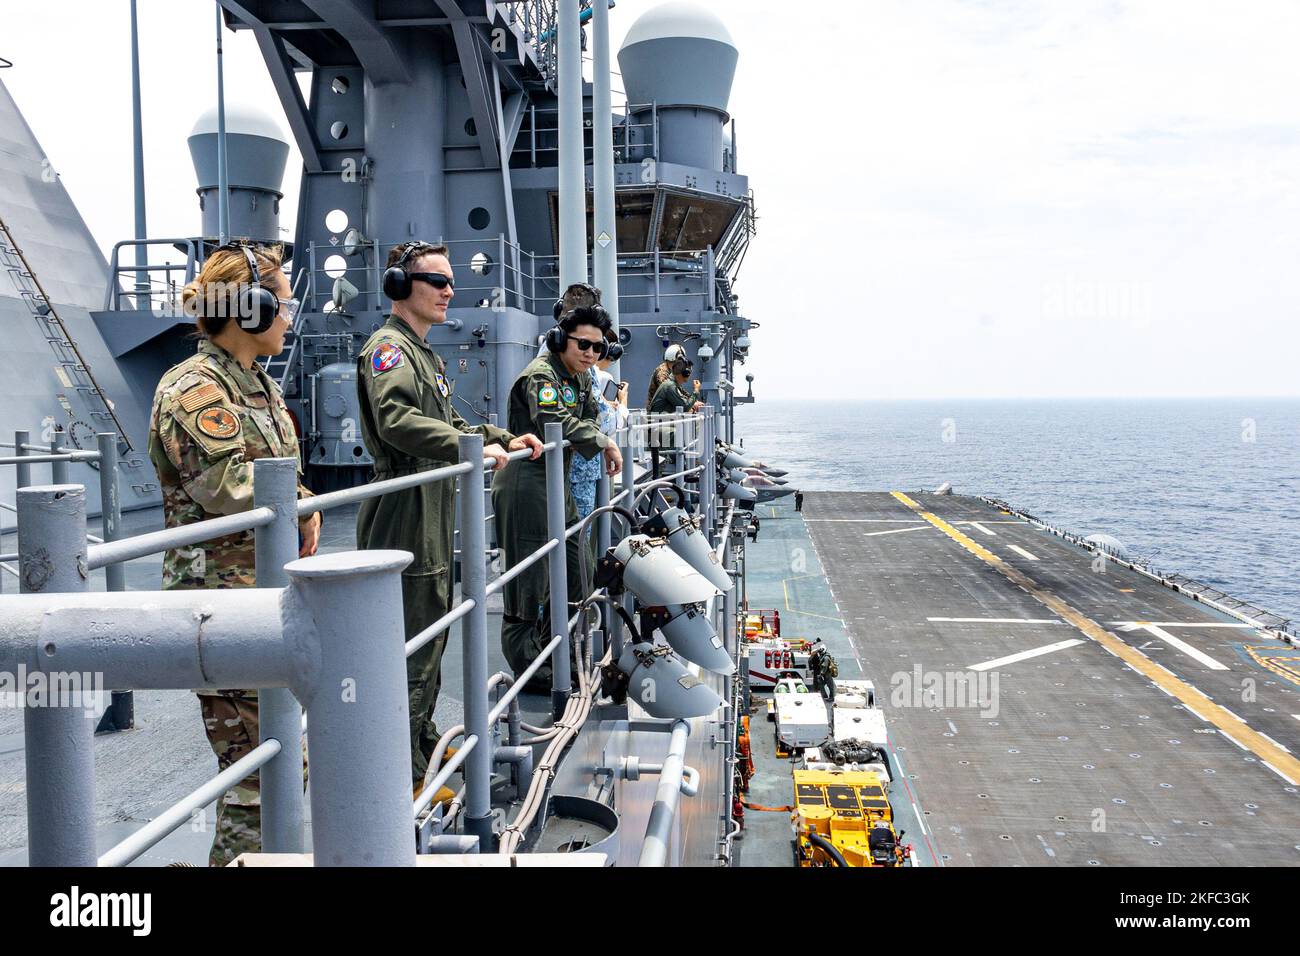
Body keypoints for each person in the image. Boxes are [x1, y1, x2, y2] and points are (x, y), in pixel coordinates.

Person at [148, 242, 320, 866]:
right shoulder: (195, 389)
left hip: (261, 600)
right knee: (259, 774)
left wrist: (302, 498)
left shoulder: (257, 387)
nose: (290, 314)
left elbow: (276, 476)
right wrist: (299, 502)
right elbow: (228, 488)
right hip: (223, 606)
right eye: (281, 302)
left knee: (268, 764)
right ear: (248, 309)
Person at [354, 241, 542, 800]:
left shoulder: (422, 353)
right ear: (399, 286)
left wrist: (505, 438)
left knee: (432, 631)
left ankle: (423, 740)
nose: (449, 292)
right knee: (413, 641)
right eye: (437, 281)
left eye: (450, 282)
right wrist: (467, 448)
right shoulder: (389, 350)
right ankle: (405, 772)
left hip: (433, 503)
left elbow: (452, 419)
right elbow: (396, 421)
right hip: (405, 507)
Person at [493, 283, 623, 690]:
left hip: (557, 482)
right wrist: (603, 440)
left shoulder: (578, 376)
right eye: (582, 344)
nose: (590, 353)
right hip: (526, 485)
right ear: (559, 339)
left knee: (578, 570)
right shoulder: (543, 375)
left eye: (597, 348)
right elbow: (556, 420)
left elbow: (586, 415)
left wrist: (599, 431)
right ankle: (531, 670)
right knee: (529, 583)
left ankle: (558, 650)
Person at [569, 326, 627, 518]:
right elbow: (610, 423)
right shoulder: (593, 373)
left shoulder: (586, 373)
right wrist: (622, 403)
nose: (591, 354)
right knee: (587, 527)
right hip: (586, 463)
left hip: (585, 461)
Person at [648, 353, 704, 477]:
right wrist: (696, 391)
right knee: (684, 431)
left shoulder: (672, 385)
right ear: (686, 374)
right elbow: (685, 406)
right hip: (656, 427)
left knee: (690, 423)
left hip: (660, 422)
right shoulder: (670, 387)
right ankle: (688, 463)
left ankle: (687, 460)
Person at [646, 342, 687, 409]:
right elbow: (670, 391)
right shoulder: (662, 373)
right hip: (657, 414)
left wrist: (693, 401)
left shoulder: (672, 371)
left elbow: (680, 390)